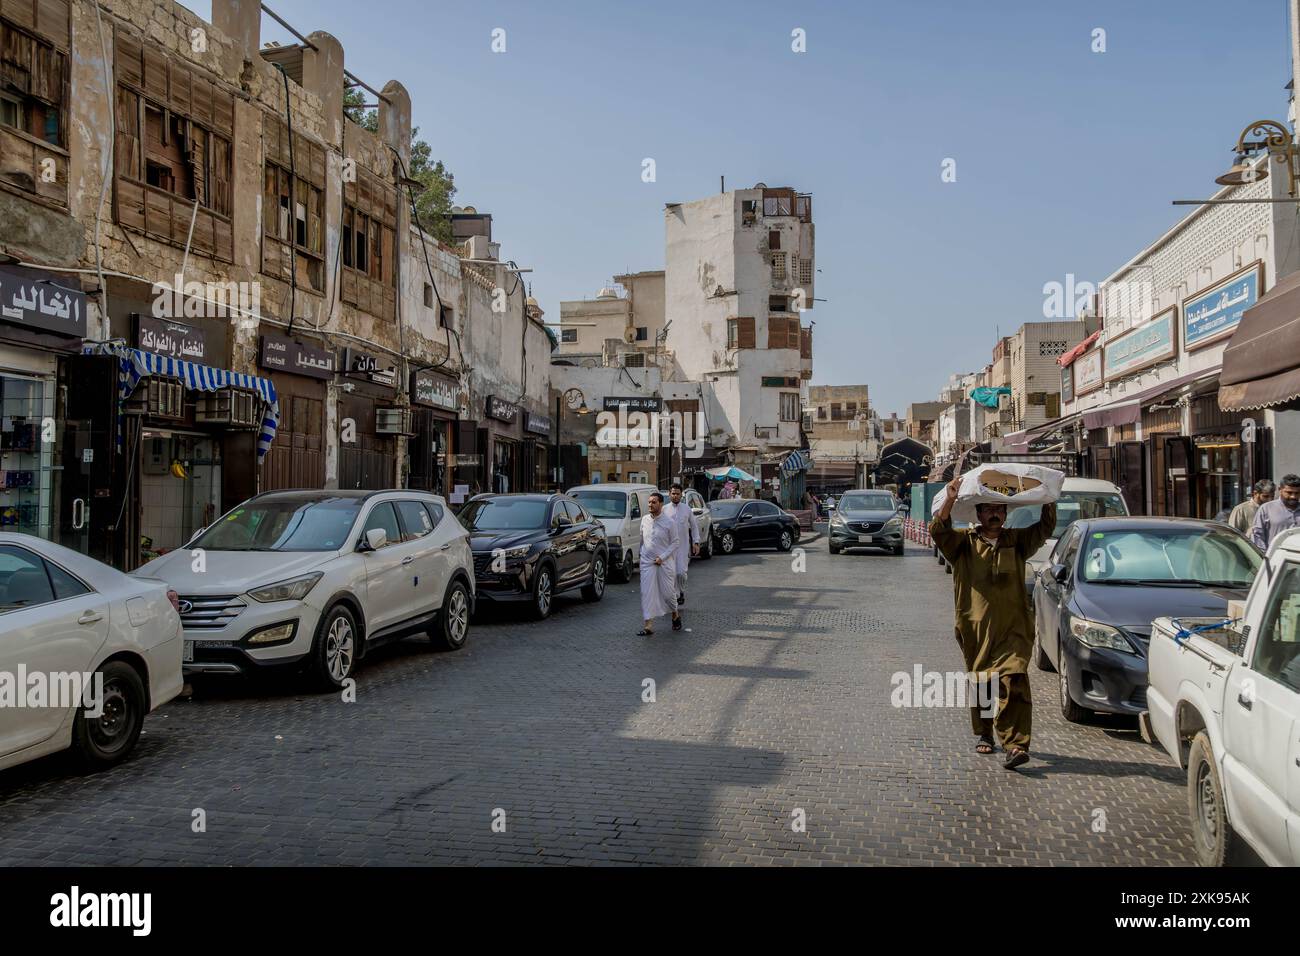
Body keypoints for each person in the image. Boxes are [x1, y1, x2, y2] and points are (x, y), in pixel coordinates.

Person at [930, 476, 1058, 771]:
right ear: (978, 514)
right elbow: (938, 530)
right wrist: (950, 498)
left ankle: (1014, 744)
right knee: (983, 682)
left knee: (1015, 681)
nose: (994, 514)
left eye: (999, 509)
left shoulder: (1018, 540)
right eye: (988, 509)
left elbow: (1044, 529)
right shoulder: (963, 544)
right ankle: (985, 731)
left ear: (1006, 513)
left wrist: (1048, 497)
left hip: (1014, 628)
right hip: (975, 628)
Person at [638, 492, 681, 635]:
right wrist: (640, 556)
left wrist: (662, 557)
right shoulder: (644, 520)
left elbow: (675, 543)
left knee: (668, 594)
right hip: (647, 562)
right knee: (647, 593)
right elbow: (642, 540)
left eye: (654, 502)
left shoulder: (669, 523)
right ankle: (648, 625)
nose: (650, 505)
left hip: (664, 563)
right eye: (649, 502)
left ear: (661, 504)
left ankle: (675, 613)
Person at [663, 483, 701, 608]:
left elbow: (694, 527)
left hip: (683, 547)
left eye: (677, 494)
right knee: (671, 574)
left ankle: (681, 590)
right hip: (668, 548)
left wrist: (696, 543)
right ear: (669, 494)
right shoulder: (664, 510)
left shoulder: (687, 509)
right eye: (673, 493)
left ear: (681, 495)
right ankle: (676, 595)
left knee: (681, 573)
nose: (675, 496)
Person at [1251, 474, 1300, 551]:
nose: (1293, 496)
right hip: (1275, 560)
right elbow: (1257, 536)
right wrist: (1265, 557)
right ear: (1280, 490)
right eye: (1289, 493)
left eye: (1297, 493)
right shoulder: (1266, 509)